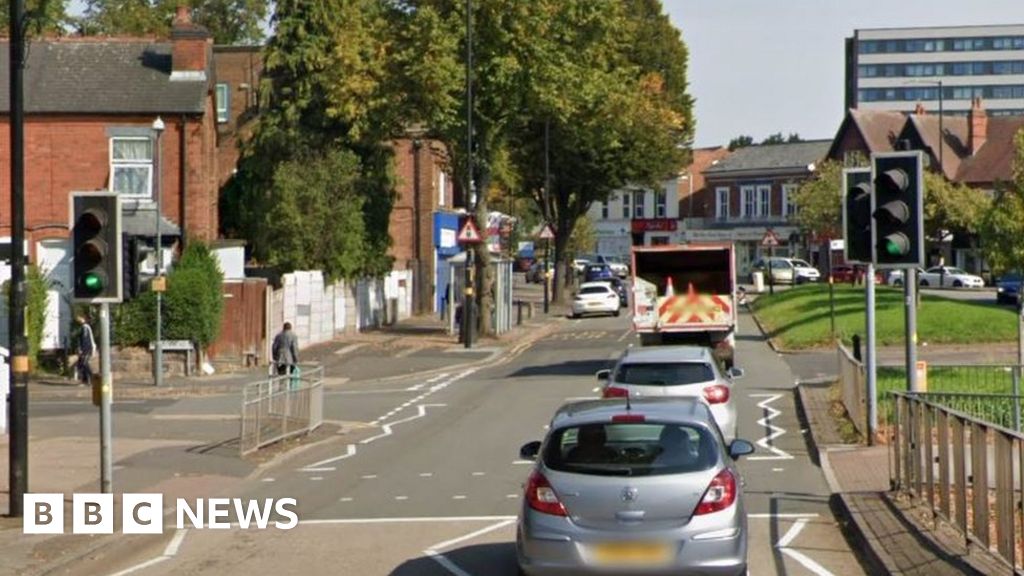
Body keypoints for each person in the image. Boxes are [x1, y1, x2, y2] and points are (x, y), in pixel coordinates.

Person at [75, 314, 96, 385]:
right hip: (85, 348)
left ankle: (92, 379)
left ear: (83, 318)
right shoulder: (82, 327)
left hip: (88, 348)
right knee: (82, 363)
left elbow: (85, 340)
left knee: (85, 363)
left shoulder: (85, 327)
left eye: (79, 318)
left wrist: (82, 349)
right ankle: (85, 380)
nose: (78, 319)